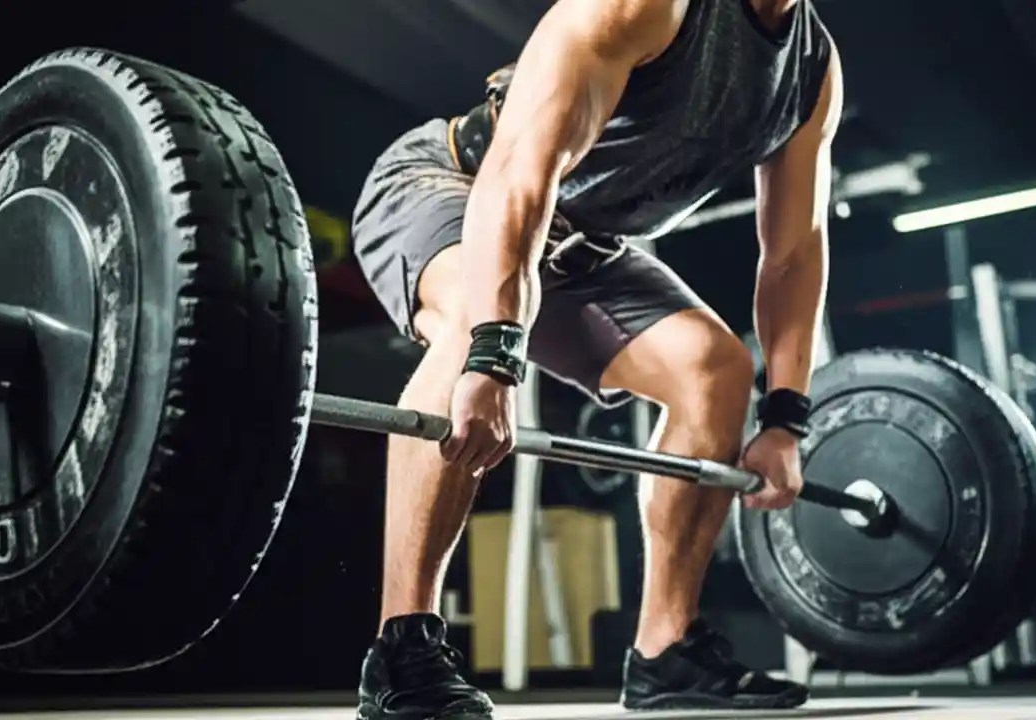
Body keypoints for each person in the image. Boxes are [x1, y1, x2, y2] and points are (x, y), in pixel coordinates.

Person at [351, 0, 842, 716]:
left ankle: (665, 654)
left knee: (716, 370)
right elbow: (521, 173)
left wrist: (786, 419)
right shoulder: (647, 7)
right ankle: (402, 648)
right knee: (465, 331)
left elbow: (795, 252)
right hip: (457, 184)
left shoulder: (811, 67)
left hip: (584, 244)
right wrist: (495, 355)